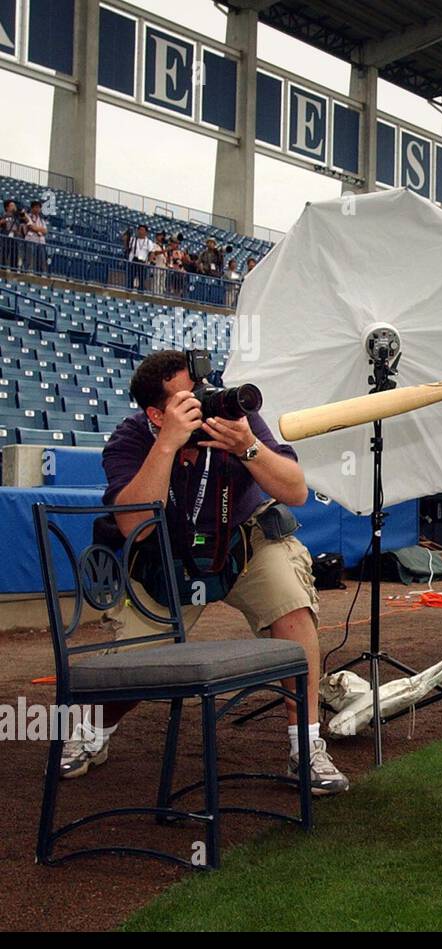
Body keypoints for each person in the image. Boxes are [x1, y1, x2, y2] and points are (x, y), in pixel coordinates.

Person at [59, 351, 349, 795]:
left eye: (204, 388)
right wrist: (168, 444)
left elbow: (294, 490)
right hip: (164, 555)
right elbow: (134, 527)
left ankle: (306, 747)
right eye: (187, 398)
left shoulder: (237, 421)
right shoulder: (133, 439)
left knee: (293, 609)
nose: (203, 400)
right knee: (135, 669)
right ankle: (91, 731)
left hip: (241, 544)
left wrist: (247, 447)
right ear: (156, 413)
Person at [125, 224, 158, 291]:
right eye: (139, 230)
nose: (140, 231)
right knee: (130, 277)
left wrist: (148, 262)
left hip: (142, 262)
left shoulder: (149, 242)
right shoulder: (133, 239)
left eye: (142, 230)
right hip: (133, 260)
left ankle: (140, 291)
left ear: (146, 232)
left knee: (142, 279)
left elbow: (152, 253)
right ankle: (129, 290)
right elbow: (127, 247)